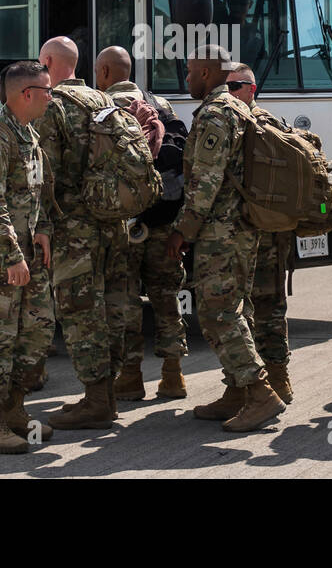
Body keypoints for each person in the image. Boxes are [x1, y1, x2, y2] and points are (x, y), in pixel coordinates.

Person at [166, 44, 286, 432]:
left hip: (223, 230)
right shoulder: (237, 108)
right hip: (238, 229)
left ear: (205, 73)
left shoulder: (217, 113)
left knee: (220, 312)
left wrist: (184, 230)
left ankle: (259, 391)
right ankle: (237, 391)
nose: (186, 80)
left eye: (189, 72)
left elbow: (206, 180)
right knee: (237, 308)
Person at [36, 36, 129, 430]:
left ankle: (95, 400)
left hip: (74, 228)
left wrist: (39, 226)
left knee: (79, 313)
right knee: (111, 307)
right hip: (114, 222)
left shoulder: (51, 105)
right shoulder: (104, 100)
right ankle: (106, 395)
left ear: (47, 62)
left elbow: (44, 174)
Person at [0, 61, 56, 454]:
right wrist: (11, 255)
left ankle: (14, 408)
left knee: (35, 333)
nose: (52, 98)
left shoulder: (27, 134)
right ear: (26, 94)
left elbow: (33, 191)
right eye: (47, 91)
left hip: (25, 255)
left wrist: (43, 230)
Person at [96, 45, 189, 402]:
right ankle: (173, 375)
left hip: (123, 223)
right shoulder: (161, 106)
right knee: (167, 298)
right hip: (164, 219)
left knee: (125, 300)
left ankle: (131, 377)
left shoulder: (100, 108)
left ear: (104, 72)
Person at [228, 64, 296, 403]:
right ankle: (250, 383)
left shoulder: (260, 123)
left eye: (235, 85)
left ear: (251, 89)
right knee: (250, 307)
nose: (229, 91)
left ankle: (276, 378)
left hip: (264, 230)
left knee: (266, 305)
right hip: (249, 230)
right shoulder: (242, 119)